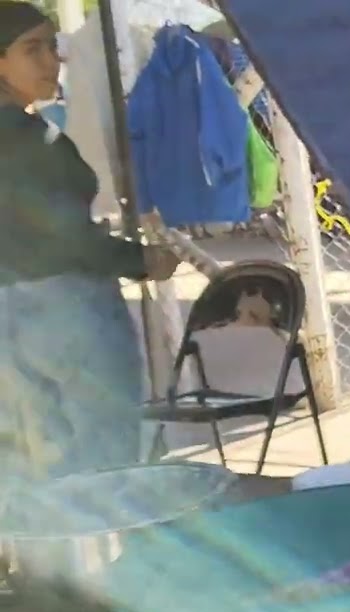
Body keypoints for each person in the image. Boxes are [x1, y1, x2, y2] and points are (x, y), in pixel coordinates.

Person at [0, 1, 179, 488]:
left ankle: (47, 563)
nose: (50, 61)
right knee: (103, 455)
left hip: (10, 316)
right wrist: (140, 258)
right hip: (66, 311)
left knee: (29, 464)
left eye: (52, 48)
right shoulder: (30, 140)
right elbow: (64, 237)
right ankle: (101, 558)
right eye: (30, 49)